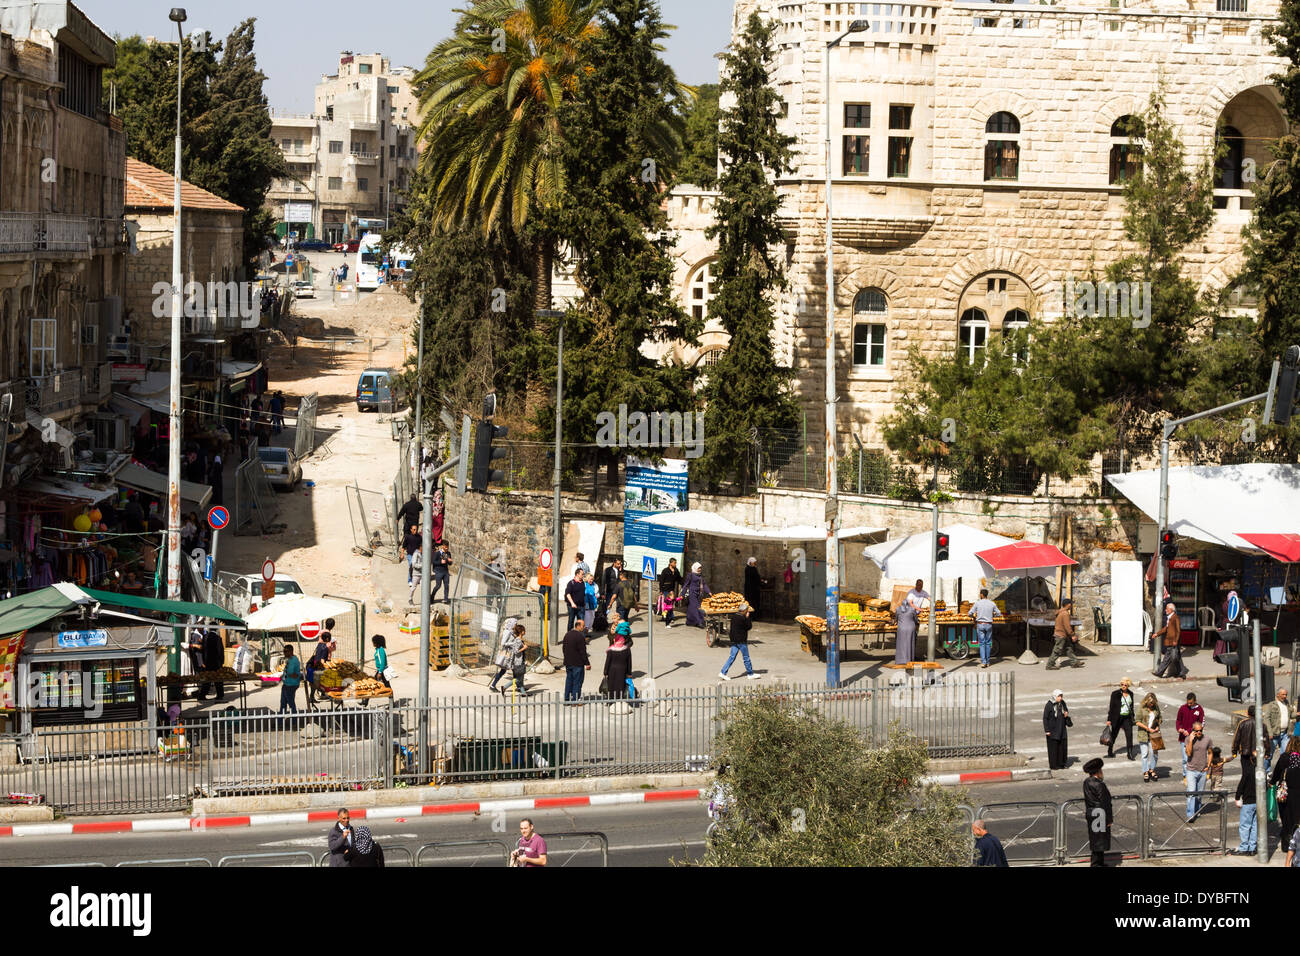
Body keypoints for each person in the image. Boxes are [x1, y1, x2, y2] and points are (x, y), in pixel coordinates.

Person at [1231, 706, 1259, 855]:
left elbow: (1236, 738)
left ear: (1248, 713)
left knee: (1245, 824)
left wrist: (1234, 751)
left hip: (1248, 801)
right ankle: (1252, 847)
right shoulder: (1261, 725)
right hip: (1257, 800)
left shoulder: (1243, 724)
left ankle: (1244, 847)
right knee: (1254, 824)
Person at [1270, 735, 1300, 851]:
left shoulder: (1284, 758)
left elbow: (1276, 773)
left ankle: (1286, 845)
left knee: (1286, 820)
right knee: (1297, 820)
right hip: (1298, 794)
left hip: (1285, 794)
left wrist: (1272, 783)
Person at [1083, 757, 1113, 867]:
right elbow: (1105, 803)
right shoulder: (1099, 784)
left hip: (1092, 813)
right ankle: (1096, 864)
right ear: (1098, 771)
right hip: (1100, 815)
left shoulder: (1087, 782)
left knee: (1096, 840)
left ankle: (1099, 863)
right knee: (1100, 841)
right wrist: (1109, 819)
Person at [720, 602, 760, 681]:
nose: (747, 612)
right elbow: (748, 627)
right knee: (746, 657)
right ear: (744, 610)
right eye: (747, 610)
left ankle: (723, 672)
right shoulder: (742, 618)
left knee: (732, 657)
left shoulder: (734, 616)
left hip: (734, 640)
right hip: (741, 640)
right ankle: (750, 674)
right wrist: (748, 618)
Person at [1184, 721, 1213, 821]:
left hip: (1202, 770)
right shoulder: (1188, 739)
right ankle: (1190, 815)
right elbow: (1188, 753)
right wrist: (1191, 740)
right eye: (1196, 731)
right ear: (1193, 731)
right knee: (1192, 793)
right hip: (1191, 770)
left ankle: (1197, 810)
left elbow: (1210, 753)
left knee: (1199, 794)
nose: (1199, 732)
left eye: (1200, 730)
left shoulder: (1207, 739)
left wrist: (1208, 765)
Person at [1153, 601, 1187, 679]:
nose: (1165, 610)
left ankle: (1159, 672)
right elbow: (1166, 628)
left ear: (1171, 610)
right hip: (1170, 641)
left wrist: (1176, 640)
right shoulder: (1170, 617)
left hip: (1173, 641)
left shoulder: (1175, 617)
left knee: (1167, 658)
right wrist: (1157, 634)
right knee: (1176, 658)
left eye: (1167, 609)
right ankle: (1181, 672)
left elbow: (1178, 630)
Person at [1176, 692, 1205, 781]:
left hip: (1195, 738)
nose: (1189, 704)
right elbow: (1178, 720)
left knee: (1195, 756)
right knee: (1185, 758)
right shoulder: (1182, 708)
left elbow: (1201, 723)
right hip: (1183, 738)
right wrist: (1179, 728)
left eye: (1191, 703)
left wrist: (1189, 731)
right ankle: (1186, 775)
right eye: (1188, 703)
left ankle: (1196, 773)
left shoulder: (1199, 709)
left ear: (1195, 701)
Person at [488, 619, 523, 692]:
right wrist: (513, 643)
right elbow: (503, 643)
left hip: (510, 653)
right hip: (507, 654)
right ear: (512, 624)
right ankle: (493, 686)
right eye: (515, 624)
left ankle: (519, 687)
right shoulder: (507, 632)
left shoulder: (511, 631)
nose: (516, 625)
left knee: (513, 670)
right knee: (505, 670)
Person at [1045, 598, 1081, 670]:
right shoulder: (1065, 613)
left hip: (1062, 634)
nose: (1071, 605)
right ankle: (1050, 665)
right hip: (1061, 635)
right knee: (1057, 650)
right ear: (1068, 605)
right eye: (1070, 604)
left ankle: (1074, 662)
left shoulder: (1061, 612)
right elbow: (1067, 626)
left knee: (1069, 648)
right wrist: (1072, 635)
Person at [1105, 676, 1136, 760]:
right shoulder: (1115, 694)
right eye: (1122, 684)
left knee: (1129, 735)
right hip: (1117, 718)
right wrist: (1109, 719)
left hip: (1127, 718)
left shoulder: (1131, 694)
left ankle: (1130, 753)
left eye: (1125, 685)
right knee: (1114, 735)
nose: (1123, 686)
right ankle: (1110, 750)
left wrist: (1133, 717)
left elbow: (1131, 706)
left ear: (1128, 685)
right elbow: (1111, 707)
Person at [1135, 692, 1162, 783]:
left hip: (1154, 734)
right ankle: (1145, 771)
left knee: (1155, 753)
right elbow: (1137, 721)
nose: (1152, 705)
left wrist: (1157, 726)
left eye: (1153, 703)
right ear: (1146, 701)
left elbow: (1160, 718)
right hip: (1143, 734)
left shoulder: (1156, 707)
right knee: (1144, 754)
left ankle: (1152, 769)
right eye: (1150, 703)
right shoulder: (1141, 708)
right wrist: (1147, 728)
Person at [968, 587, 998, 668]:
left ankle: (983, 662)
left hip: (980, 624)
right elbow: (999, 613)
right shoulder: (992, 603)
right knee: (988, 643)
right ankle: (988, 662)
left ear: (981, 595)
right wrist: (993, 615)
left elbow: (969, 613)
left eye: (980, 594)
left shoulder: (977, 603)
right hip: (989, 624)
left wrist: (974, 617)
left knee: (982, 644)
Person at [562, 618, 590, 703]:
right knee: (577, 682)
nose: (584, 628)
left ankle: (567, 699)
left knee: (569, 680)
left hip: (568, 662)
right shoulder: (580, 637)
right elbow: (583, 652)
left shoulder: (567, 635)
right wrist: (587, 663)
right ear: (578, 626)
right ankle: (575, 699)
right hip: (578, 663)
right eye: (583, 626)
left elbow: (564, 648)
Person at [1043, 689, 1071, 771]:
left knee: (1062, 747)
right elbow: (1045, 718)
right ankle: (1054, 765)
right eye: (1059, 696)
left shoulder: (1062, 703)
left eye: (1061, 696)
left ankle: (1062, 764)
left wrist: (1066, 714)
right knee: (1053, 749)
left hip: (1062, 729)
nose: (1060, 698)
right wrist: (1047, 730)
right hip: (1053, 730)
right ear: (1055, 696)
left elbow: (1065, 710)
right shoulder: (1049, 705)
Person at [1263, 688, 1291, 770]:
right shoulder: (1271, 705)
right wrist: (1270, 732)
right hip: (1274, 734)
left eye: (1286, 694)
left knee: (1285, 754)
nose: (1285, 696)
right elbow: (1266, 719)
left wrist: (1297, 713)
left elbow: (1291, 715)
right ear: (1278, 695)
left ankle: (1282, 772)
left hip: (1285, 734)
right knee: (1269, 754)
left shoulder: (1286, 703)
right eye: (1283, 694)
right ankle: (1266, 771)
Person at [604, 631, 632, 700]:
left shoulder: (611, 650)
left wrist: (605, 672)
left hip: (612, 670)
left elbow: (607, 662)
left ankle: (611, 700)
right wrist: (629, 673)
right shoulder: (627, 650)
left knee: (612, 685)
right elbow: (629, 662)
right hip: (622, 671)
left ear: (615, 640)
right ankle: (620, 699)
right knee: (621, 685)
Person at [684, 562, 710, 628]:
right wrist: (682, 594)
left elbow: (704, 585)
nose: (700, 569)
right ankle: (699, 622)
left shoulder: (700, 576)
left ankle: (689, 621)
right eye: (698, 568)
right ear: (695, 568)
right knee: (695, 608)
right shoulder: (691, 575)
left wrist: (708, 592)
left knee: (693, 608)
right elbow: (686, 585)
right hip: (692, 593)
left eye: (700, 568)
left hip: (699, 594)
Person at [658, 558, 682, 628]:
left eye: (675, 563)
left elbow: (679, 579)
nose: (675, 564)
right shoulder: (665, 570)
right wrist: (661, 590)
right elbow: (661, 580)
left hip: (671, 589)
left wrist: (684, 584)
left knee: (670, 603)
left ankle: (667, 616)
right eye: (674, 563)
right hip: (666, 589)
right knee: (667, 603)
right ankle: (669, 617)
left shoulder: (676, 570)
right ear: (670, 563)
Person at [894, 597, 918, 665]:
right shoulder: (912, 609)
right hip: (911, 628)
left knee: (901, 644)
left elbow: (896, 618)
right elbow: (916, 619)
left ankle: (900, 660)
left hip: (901, 628)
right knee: (910, 643)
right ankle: (909, 659)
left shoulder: (898, 609)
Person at [280, 643, 302, 714]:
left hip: (291, 685)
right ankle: (280, 719)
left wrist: (284, 674)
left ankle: (294, 719)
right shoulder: (290, 659)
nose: (284, 653)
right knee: (283, 703)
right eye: (284, 651)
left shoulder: (293, 660)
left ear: (291, 651)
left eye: (286, 651)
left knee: (291, 703)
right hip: (287, 684)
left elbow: (291, 672)